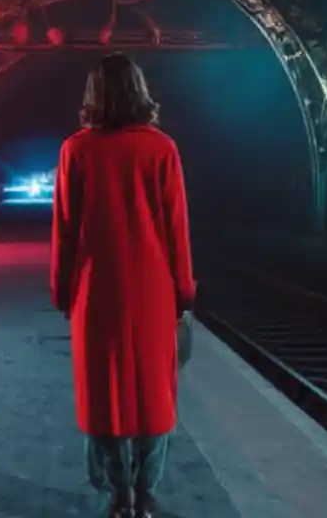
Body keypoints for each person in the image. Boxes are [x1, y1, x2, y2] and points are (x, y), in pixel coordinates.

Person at [50, 53, 196, 518]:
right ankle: (146, 494)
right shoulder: (162, 149)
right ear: (140, 91)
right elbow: (177, 229)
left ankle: (116, 496)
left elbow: (65, 230)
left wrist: (61, 290)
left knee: (103, 394)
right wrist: (184, 290)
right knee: (154, 393)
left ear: (93, 95)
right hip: (153, 289)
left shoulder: (76, 150)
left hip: (96, 292)